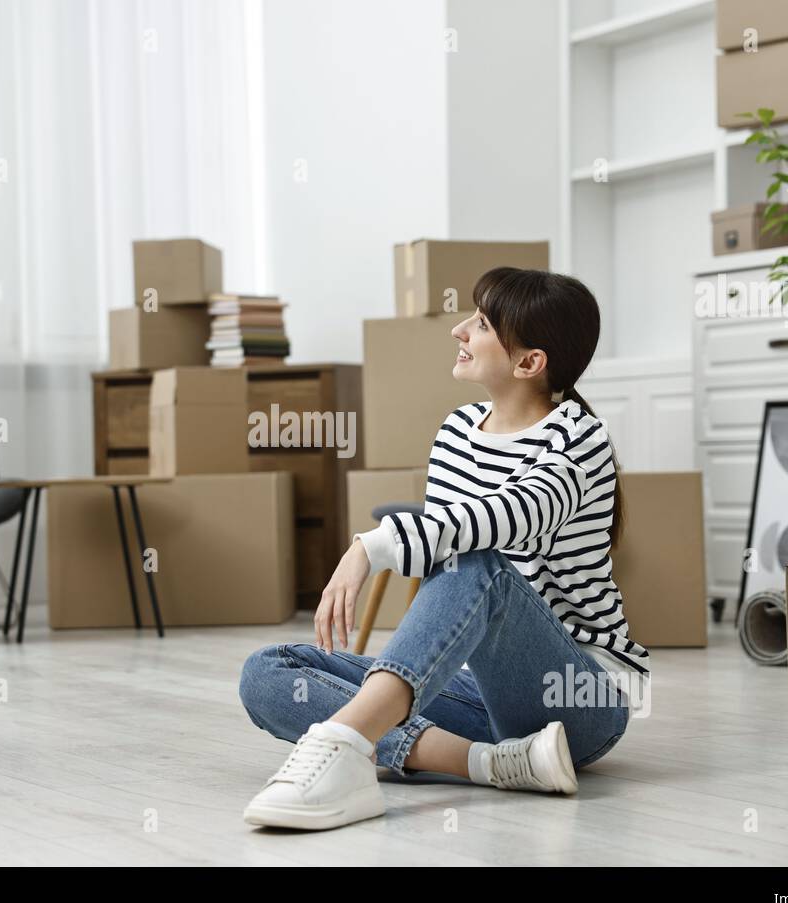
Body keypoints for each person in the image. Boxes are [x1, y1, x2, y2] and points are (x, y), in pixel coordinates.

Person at [237, 267, 650, 831]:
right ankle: (489, 763)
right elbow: (443, 547)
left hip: (576, 697)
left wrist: (371, 547)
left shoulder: (578, 438)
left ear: (530, 362)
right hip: (478, 694)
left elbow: (506, 518)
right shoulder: (457, 431)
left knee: (475, 557)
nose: (459, 329)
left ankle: (347, 746)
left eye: (481, 323)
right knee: (267, 671)